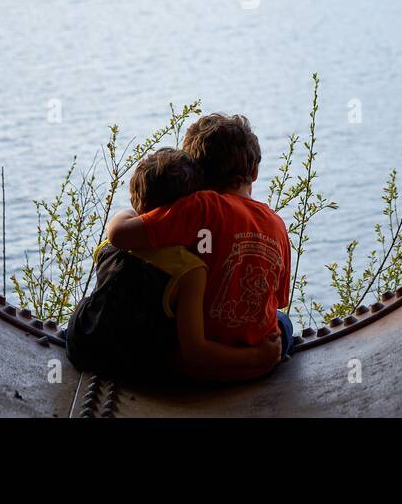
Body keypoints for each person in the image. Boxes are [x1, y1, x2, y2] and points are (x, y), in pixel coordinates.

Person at [66, 147, 280, 382]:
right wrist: (257, 356)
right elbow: (194, 350)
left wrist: (132, 213)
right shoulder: (190, 269)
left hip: (82, 341)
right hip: (137, 363)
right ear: (186, 208)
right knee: (283, 325)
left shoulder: (112, 245)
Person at [106, 113, 294, 362]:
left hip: (200, 360)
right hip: (263, 357)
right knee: (284, 322)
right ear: (255, 171)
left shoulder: (201, 206)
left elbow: (119, 235)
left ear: (199, 175)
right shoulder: (278, 225)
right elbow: (277, 300)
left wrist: (131, 213)